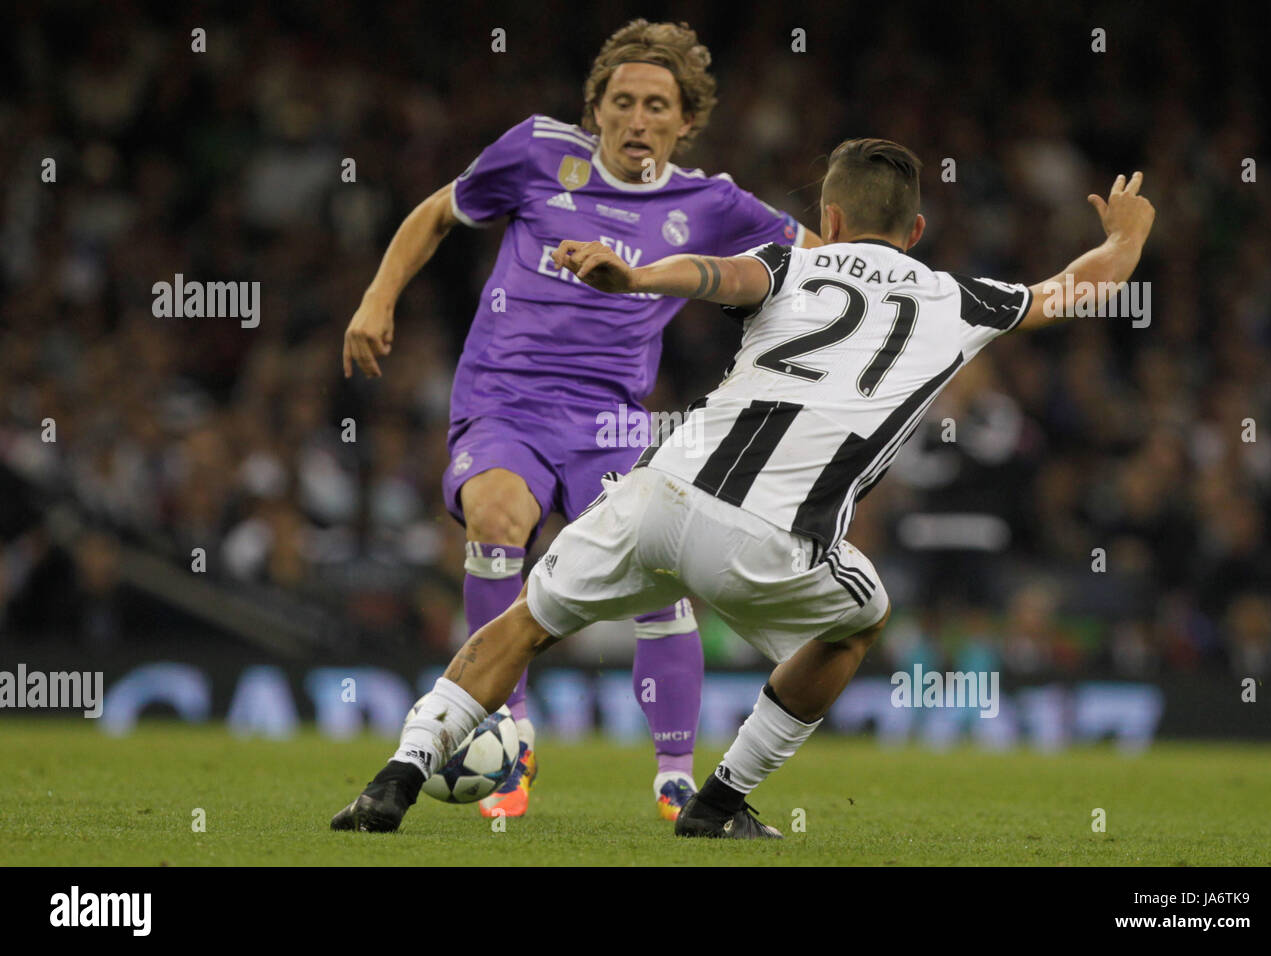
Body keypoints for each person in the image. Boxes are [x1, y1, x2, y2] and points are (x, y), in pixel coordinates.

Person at [331, 138, 1154, 837]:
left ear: (827, 221)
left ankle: (393, 780)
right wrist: (1126, 238)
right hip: (775, 545)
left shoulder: (792, 263)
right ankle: (721, 801)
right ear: (917, 231)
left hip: (658, 498)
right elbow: (1075, 289)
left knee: (527, 622)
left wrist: (639, 276)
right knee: (863, 620)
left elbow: (717, 275)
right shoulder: (958, 299)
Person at [341, 19, 820, 820]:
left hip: (612, 423)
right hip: (504, 400)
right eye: (622, 102)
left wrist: (894, 281)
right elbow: (436, 213)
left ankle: (674, 777)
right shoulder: (533, 153)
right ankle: (509, 735)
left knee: (660, 584)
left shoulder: (711, 203)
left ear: (686, 120)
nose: (638, 119)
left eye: (657, 106)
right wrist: (377, 296)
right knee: (497, 519)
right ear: (594, 109)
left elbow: (820, 260)